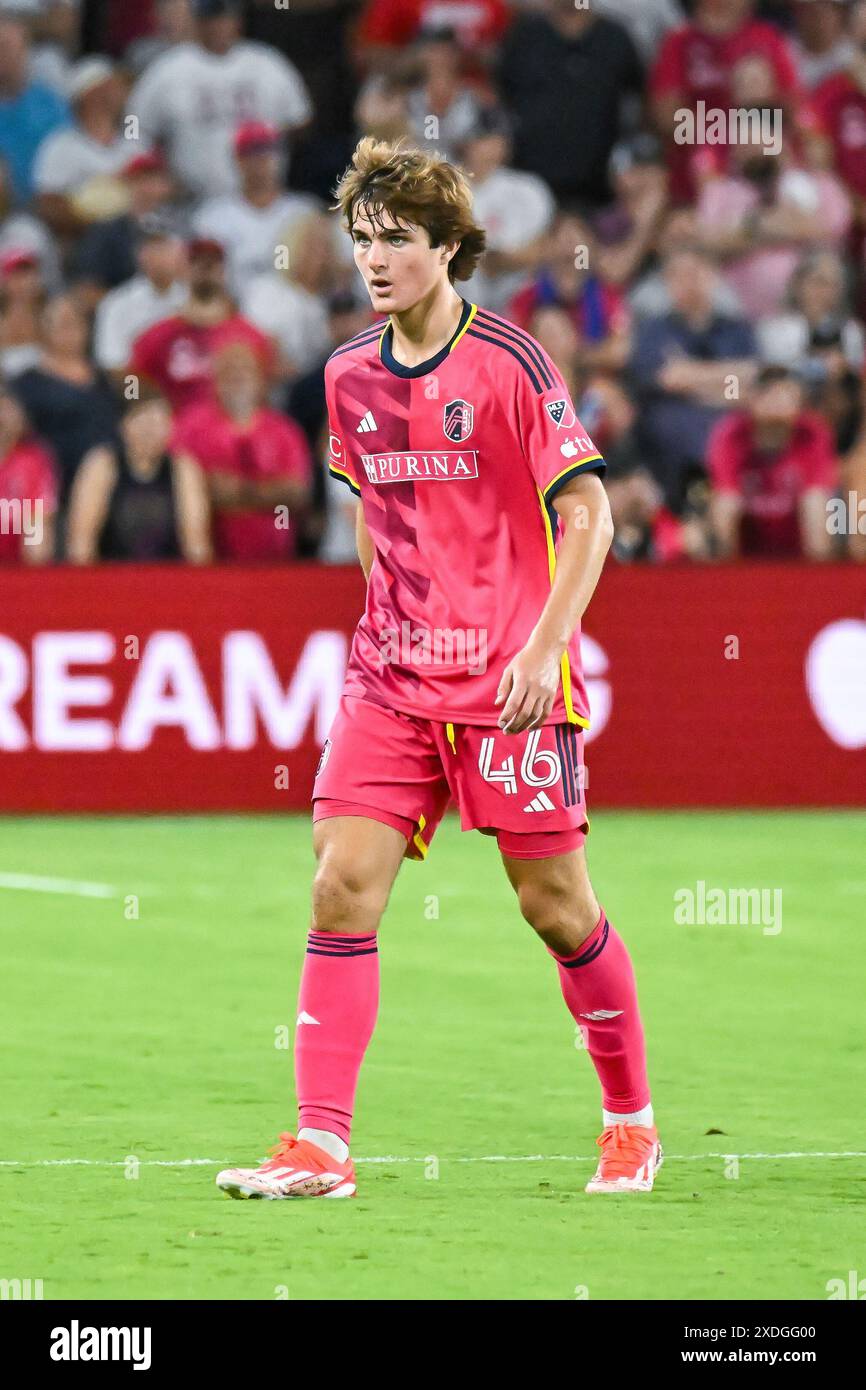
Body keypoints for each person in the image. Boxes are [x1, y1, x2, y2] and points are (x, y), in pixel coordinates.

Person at [216, 136, 662, 1202]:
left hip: (507, 682)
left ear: (449, 248)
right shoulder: (345, 376)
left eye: (397, 241)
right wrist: (386, 622)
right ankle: (321, 1145)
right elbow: (374, 514)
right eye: (362, 238)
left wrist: (544, 644)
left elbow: (587, 509)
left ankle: (628, 1120)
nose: (374, 260)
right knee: (339, 886)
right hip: (390, 678)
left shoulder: (509, 362)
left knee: (553, 906)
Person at [126, 0, 313, 199]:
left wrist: (269, 141)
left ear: (238, 20)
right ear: (197, 21)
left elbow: (301, 119)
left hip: (260, 200)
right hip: (191, 201)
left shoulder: (267, 63)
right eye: (210, 19)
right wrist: (155, 168)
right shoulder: (168, 68)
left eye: (224, 18)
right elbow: (134, 124)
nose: (218, 26)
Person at [172, 341, 313, 561]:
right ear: (215, 380)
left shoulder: (284, 430)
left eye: (245, 370)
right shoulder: (191, 426)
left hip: (278, 561)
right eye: (228, 370)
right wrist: (269, 492)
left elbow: (297, 493)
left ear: (261, 379)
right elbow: (177, 488)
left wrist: (235, 491)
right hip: (209, 561)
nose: (237, 377)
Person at [128, 236, 274, 413]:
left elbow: (265, 393)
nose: (205, 269)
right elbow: (131, 383)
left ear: (223, 271)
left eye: (212, 264)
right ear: (184, 270)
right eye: (197, 262)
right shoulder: (158, 336)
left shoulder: (250, 336)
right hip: (177, 433)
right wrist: (143, 412)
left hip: (229, 434)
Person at [708, 364, 838, 558]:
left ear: (799, 401)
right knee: (723, 507)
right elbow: (726, 496)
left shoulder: (812, 433)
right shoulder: (731, 435)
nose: (777, 401)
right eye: (768, 393)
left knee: (816, 504)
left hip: (796, 544)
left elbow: (817, 495)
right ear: (752, 399)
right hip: (747, 544)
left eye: (785, 394)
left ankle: (817, 580)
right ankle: (725, 580)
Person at [66, 393, 211, 563]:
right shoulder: (102, 465)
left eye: (158, 422)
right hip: (111, 577)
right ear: (123, 425)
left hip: (169, 578)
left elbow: (196, 542)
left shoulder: (183, 468)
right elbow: (81, 542)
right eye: (143, 421)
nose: (150, 431)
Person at [11, 293, 119, 513]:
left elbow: (137, 397)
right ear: (43, 329)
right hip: (55, 493)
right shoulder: (25, 383)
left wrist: (133, 379)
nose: (70, 330)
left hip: (109, 490)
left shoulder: (107, 377)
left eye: (76, 321)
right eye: (61, 323)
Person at [192, 119, 321, 299]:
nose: (260, 160)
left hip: (294, 313)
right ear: (237, 159)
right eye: (251, 152)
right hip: (234, 314)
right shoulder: (212, 217)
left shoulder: (305, 212)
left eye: (267, 151)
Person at [93, 212, 187, 385]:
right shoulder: (118, 303)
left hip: (189, 397)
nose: (156, 255)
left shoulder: (192, 300)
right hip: (140, 396)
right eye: (148, 246)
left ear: (179, 252)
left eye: (163, 246)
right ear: (139, 254)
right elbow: (115, 366)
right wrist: (136, 398)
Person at [0, 13, 69, 206]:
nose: (2, 55)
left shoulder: (50, 104)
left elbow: (68, 152)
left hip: (44, 205)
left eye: (6, 47)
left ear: (25, 51)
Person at [0, 386, 56, 565]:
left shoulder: (33, 461)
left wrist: (33, 573)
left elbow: (37, 525)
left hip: (16, 568)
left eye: (10, 411)